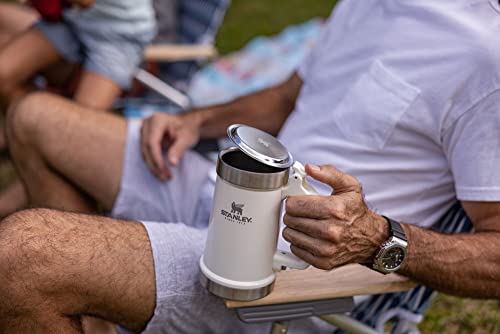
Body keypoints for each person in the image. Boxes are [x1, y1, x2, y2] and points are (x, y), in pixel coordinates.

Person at [1, 0, 500, 333]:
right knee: (35, 117)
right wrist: (199, 120)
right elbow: (290, 95)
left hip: (298, 269)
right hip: (235, 188)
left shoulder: (487, 52)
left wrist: (377, 240)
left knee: (20, 258)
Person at [0, 0, 157, 217]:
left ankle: (18, 197)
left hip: (118, 32)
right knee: (4, 74)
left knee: (70, 131)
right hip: (73, 21)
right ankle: (25, 143)